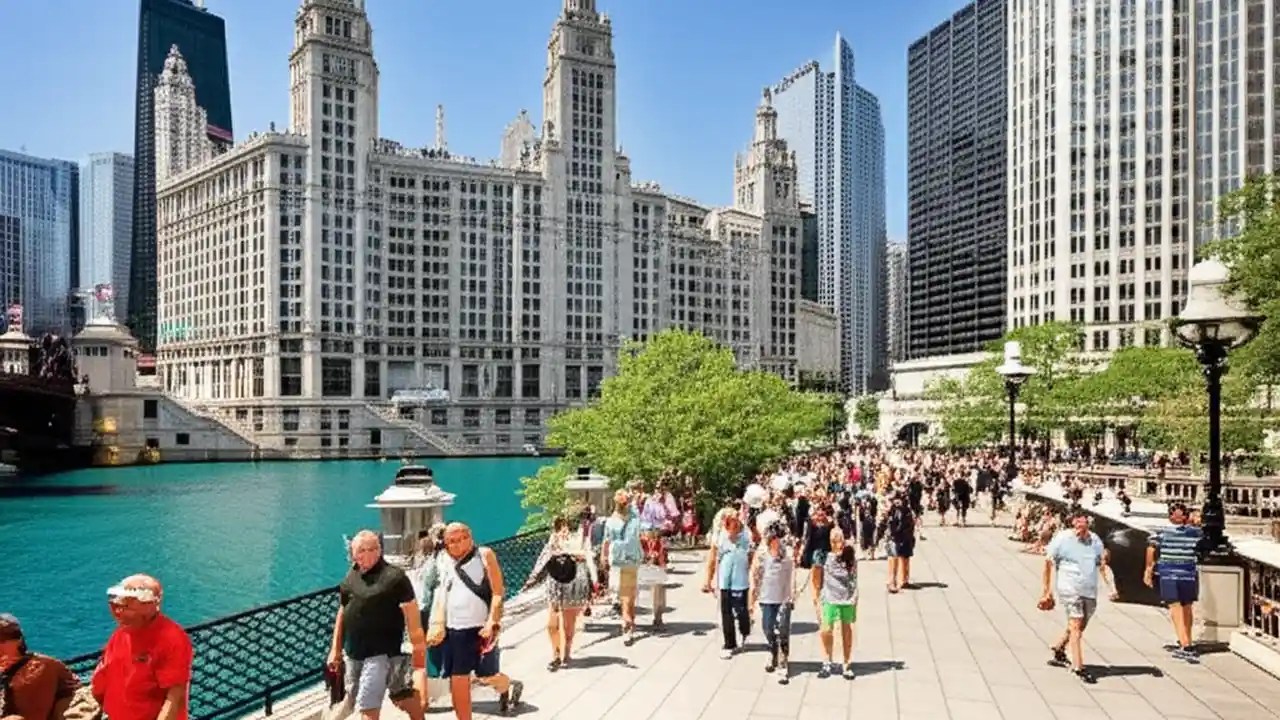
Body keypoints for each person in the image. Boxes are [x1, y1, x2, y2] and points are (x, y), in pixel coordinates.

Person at [328, 531, 426, 720]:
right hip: (355, 653)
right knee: (400, 697)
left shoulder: (395, 577)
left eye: (373, 549)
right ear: (353, 553)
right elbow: (343, 610)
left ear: (380, 550)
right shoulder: (351, 576)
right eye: (362, 550)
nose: (368, 554)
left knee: (368, 707)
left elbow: (412, 617)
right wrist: (336, 650)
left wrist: (419, 653)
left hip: (383, 653)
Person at [428, 522, 523, 718]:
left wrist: (492, 621)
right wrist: (437, 623)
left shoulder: (484, 555)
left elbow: (498, 592)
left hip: (481, 628)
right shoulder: (442, 560)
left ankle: (507, 687)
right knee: (458, 679)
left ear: (471, 537)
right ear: (445, 543)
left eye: (463, 538)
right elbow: (440, 593)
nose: (458, 544)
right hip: (455, 629)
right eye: (452, 541)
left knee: (487, 676)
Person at [91, 574, 193, 720]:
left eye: (127, 607)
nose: (118, 613)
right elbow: (103, 675)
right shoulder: (120, 634)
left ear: (151, 606)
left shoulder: (172, 639)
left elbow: (175, 697)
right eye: (116, 606)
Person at [1040, 508, 1112, 684]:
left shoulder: (1095, 541)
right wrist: (1046, 591)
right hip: (1069, 587)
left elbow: (1101, 564)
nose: (1080, 526)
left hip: (1089, 589)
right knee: (1076, 624)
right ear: (1072, 523)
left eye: (1084, 523)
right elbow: (1048, 563)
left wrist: (1111, 586)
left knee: (1079, 625)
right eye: (1077, 522)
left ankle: (1059, 649)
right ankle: (1079, 666)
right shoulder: (1062, 539)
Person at [522, 516, 595, 670]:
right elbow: (543, 559)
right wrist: (532, 579)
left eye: (566, 525)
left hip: (574, 581)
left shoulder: (582, 537)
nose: (563, 530)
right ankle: (555, 654)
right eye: (560, 526)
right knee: (551, 623)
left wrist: (593, 581)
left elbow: (587, 556)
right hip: (555, 582)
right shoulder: (553, 539)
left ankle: (566, 652)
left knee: (569, 623)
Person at [1145, 502, 1203, 663]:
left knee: (1175, 608)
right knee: (1187, 607)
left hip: (1169, 573)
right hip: (1189, 573)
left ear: (1170, 517)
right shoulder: (1196, 533)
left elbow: (1150, 548)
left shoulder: (1162, 533)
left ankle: (1185, 645)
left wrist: (1148, 570)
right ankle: (1187, 639)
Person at [0, 613, 82, 720]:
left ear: (18, 640)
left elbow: (32, 715)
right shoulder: (8, 670)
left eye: (2, 639)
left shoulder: (37, 669)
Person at [749, 520, 796, 684]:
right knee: (767, 627)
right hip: (766, 596)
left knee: (783, 630)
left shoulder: (788, 554)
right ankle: (772, 650)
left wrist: (792, 594)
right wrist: (752, 599)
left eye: (780, 538)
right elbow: (754, 575)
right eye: (775, 538)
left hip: (783, 597)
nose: (778, 541)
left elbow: (793, 573)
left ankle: (783, 665)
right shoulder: (761, 554)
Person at [705, 513, 752, 659]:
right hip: (725, 581)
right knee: (726, 613)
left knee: (741, 610)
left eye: (735, 529)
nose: (733, 533)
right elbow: (715, 559)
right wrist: (710, 581)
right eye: (730, 529)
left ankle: (745, 629)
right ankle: (729, 643)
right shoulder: (721, 539)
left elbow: (751, 556)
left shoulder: (746, 538)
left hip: (741, 581)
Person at [814, 527, 858, 679]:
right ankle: (827, 660)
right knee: (826, 629)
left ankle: (846, 663)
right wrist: (817, 598)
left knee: (846, 629)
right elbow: (816, 577)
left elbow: (853, 577)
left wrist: (855, 599)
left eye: (840, 539)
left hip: (847, 598)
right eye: (834, 540)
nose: (838, 543)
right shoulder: (824, 556)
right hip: (830, 597)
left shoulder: (849, 555)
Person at [601, 490, 643, 646]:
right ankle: (629, 622)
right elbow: (606, 540)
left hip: (631, 558)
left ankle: (627, 624)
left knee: (628, 594)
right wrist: (603, 557)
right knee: (624, 592)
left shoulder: (634, 518)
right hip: (618, 559)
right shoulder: (611, 521)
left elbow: (641, 531)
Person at [883, 494, 916, 592]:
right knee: (893, 558)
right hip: (893, 538)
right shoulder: (892, 511)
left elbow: (909, 523)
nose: (898, 502)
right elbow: (888, 524)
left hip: (905, 537)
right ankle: (891, 582)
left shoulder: (906, 511)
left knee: (905, 557)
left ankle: (904, 580)